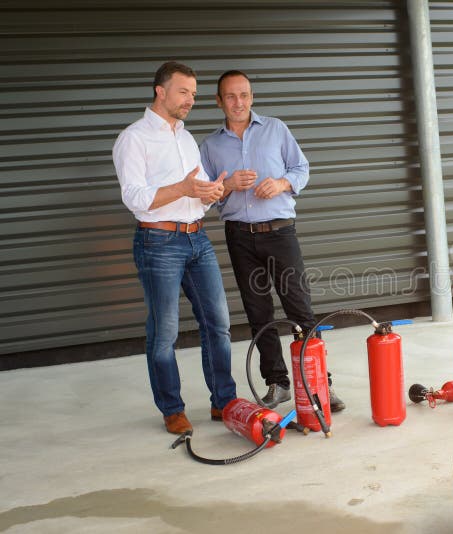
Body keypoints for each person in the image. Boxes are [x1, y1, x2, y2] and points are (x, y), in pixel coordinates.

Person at [200, 70, 344, 412]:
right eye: (231, 97)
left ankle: (320, 383)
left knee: (300, 309)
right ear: (219, 101)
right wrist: (229, 185)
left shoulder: (276, 129)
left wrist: (280, 184)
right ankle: (277, 383)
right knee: (258, 312)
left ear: (252, 97)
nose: (239, 102)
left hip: (280, 233)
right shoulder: (209, 146)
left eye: (245, 95)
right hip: (239, 237)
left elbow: (302, 169)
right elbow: (204, 197)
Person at [112, 61, 238, 435]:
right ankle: (172, 408)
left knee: (218, 324)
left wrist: (214, 192)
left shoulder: (184, 137)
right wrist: (183, 189)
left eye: (195, 95)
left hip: (196, 237)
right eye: (184, 92)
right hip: (158, 242)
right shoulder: (133, 138)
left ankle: (223, 402)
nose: (191, 100)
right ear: (161, 91)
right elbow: (133, 197)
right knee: (164, 332)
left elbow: (194, 194)